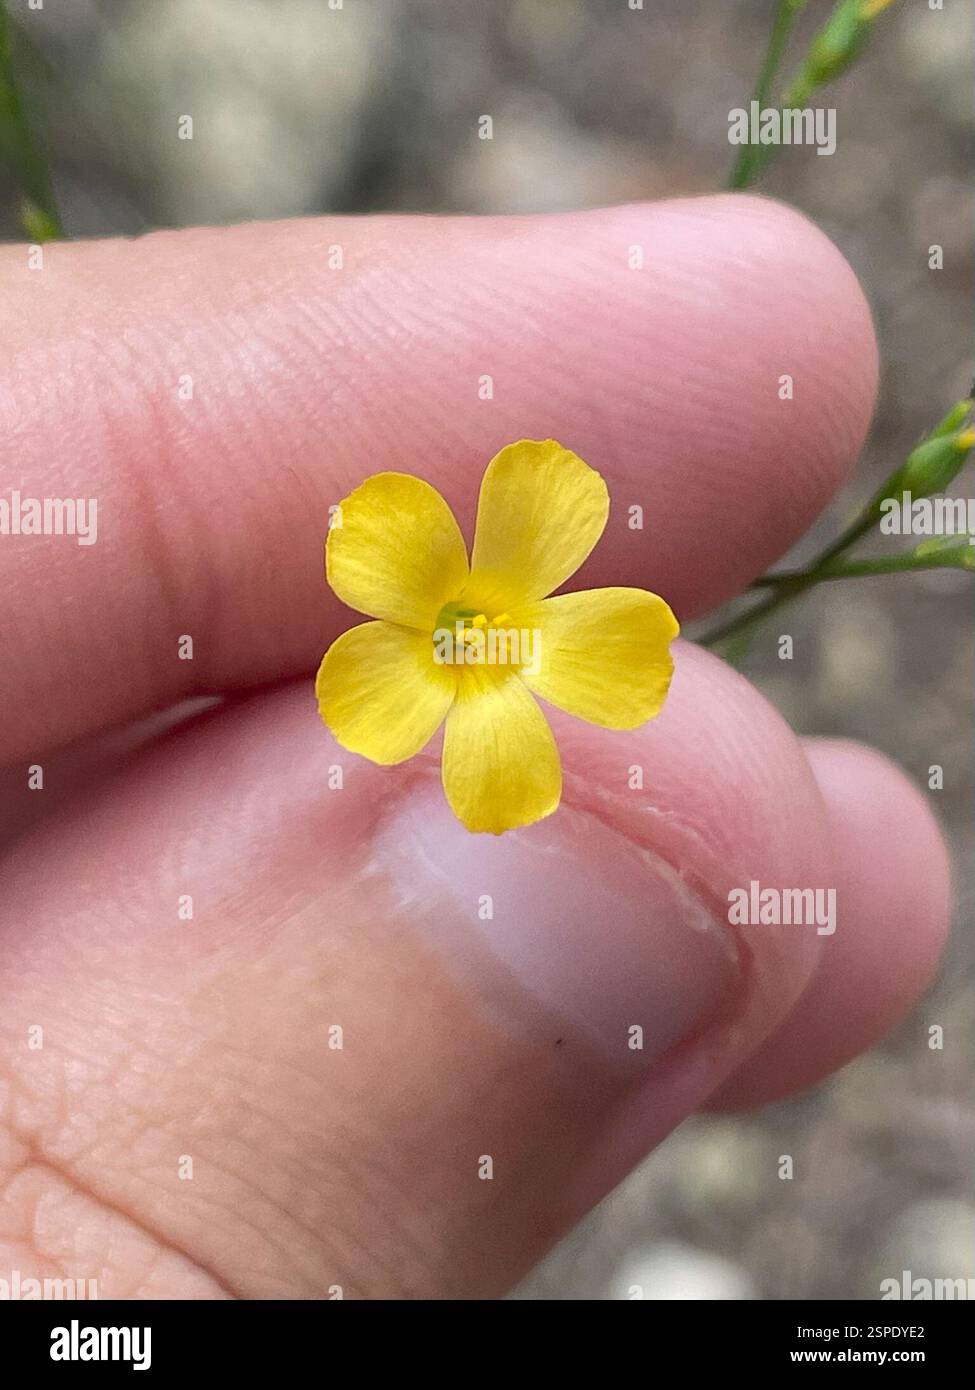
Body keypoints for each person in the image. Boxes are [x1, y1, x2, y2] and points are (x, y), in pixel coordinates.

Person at [0, 195, 950, 1299]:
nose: (474, 633)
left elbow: (600, 663)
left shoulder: (534, 598)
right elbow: (375, 689)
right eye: (464, 628)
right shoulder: (396, 612)